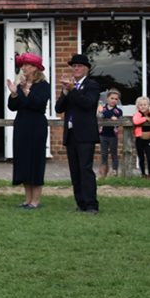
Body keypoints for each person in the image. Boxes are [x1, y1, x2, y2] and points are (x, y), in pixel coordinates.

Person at [55, 53, 101, 214]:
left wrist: (73, 90)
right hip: (71, 133)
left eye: (79, 66)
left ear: (86, 68)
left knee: (85, 169)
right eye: (74, 66)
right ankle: (80, 203)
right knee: (75, 170)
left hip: (85, 134)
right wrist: (65, 92)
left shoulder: (92, 85)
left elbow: (88, 104)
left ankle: (91, 204)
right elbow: (58, 108)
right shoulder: (70, 86)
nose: (76, 69)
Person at [5, 52, 51, 209]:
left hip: (36, 126)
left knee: (35, 160)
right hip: (22, 125)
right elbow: (12, 107)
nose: (23, 68)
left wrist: (26, 92)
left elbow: (39, 104)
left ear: (35, 68)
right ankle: (27, 199)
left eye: (26, 65)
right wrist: (14, 93)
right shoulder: (21, 85)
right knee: (23, 160)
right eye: (23, 65)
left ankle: (36, 200)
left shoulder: (43, 85)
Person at [97, 90, 123, 178]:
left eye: (116, 99)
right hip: (103, 135)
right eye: (112, 98)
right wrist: (109, 116)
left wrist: (106, 115)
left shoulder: (118, 111)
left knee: (114, 154)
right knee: (104, 154)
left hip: (113, 135)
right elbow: (100, 115)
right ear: (107, 98)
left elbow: (118, 119)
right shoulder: (102, 108)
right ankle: (103, 172)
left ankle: (114, 171)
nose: (114, 100)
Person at [132, 95, 150, 177]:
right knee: (141, 157)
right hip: (140, 139)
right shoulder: (138, 114)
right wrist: (145, 119)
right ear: (138, 106)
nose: (143, 106)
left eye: (145, 104)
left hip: (149, 140)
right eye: (141, 105)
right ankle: (143, 173)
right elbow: (136, 121)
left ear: (148, 105)